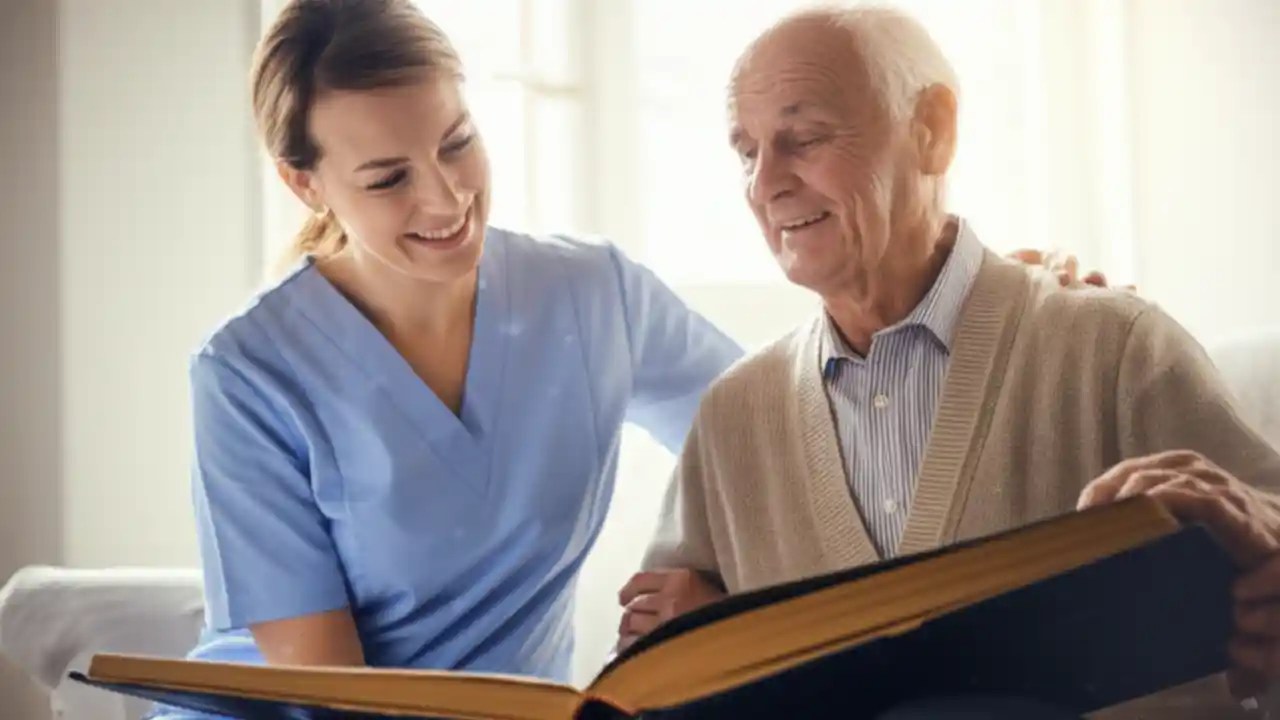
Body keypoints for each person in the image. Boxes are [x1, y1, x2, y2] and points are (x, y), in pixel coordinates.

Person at [158, 2, 1105, 717]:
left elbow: (804, 429)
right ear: (302, 180)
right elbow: (330, 693)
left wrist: (977, 295)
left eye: (458, 144)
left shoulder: (589, 295)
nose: (447, 198)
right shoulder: (249, 375)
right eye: (388, 177)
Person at [616, 7, 1280, 719]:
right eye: (747, 152)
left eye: (803, 138)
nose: (764, 184)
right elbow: (658, 673)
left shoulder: (1118, 350)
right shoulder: (732, 417)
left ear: (932, 131)